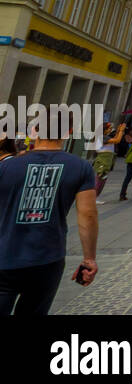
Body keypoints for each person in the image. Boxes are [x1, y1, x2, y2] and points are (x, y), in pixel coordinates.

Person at [0, 120, 97, 314]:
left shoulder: (7, 166)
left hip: (5, 256)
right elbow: (87, 214)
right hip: (47, 259)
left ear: (35, 130)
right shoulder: (80, 167)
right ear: (69, 132)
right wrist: (89, 258)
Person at [92, 123, 125, 202]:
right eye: (109, 128)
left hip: (106, 160)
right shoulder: (102, 137)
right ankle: (93, 198)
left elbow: (116, 138)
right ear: (104, 129)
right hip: (103, 160)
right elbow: (117, 140)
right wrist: (121, 130)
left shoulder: (105, 137)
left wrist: (118, 130)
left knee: (102, 179)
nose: (111, 129)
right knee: (99, 179)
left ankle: (95, 197)